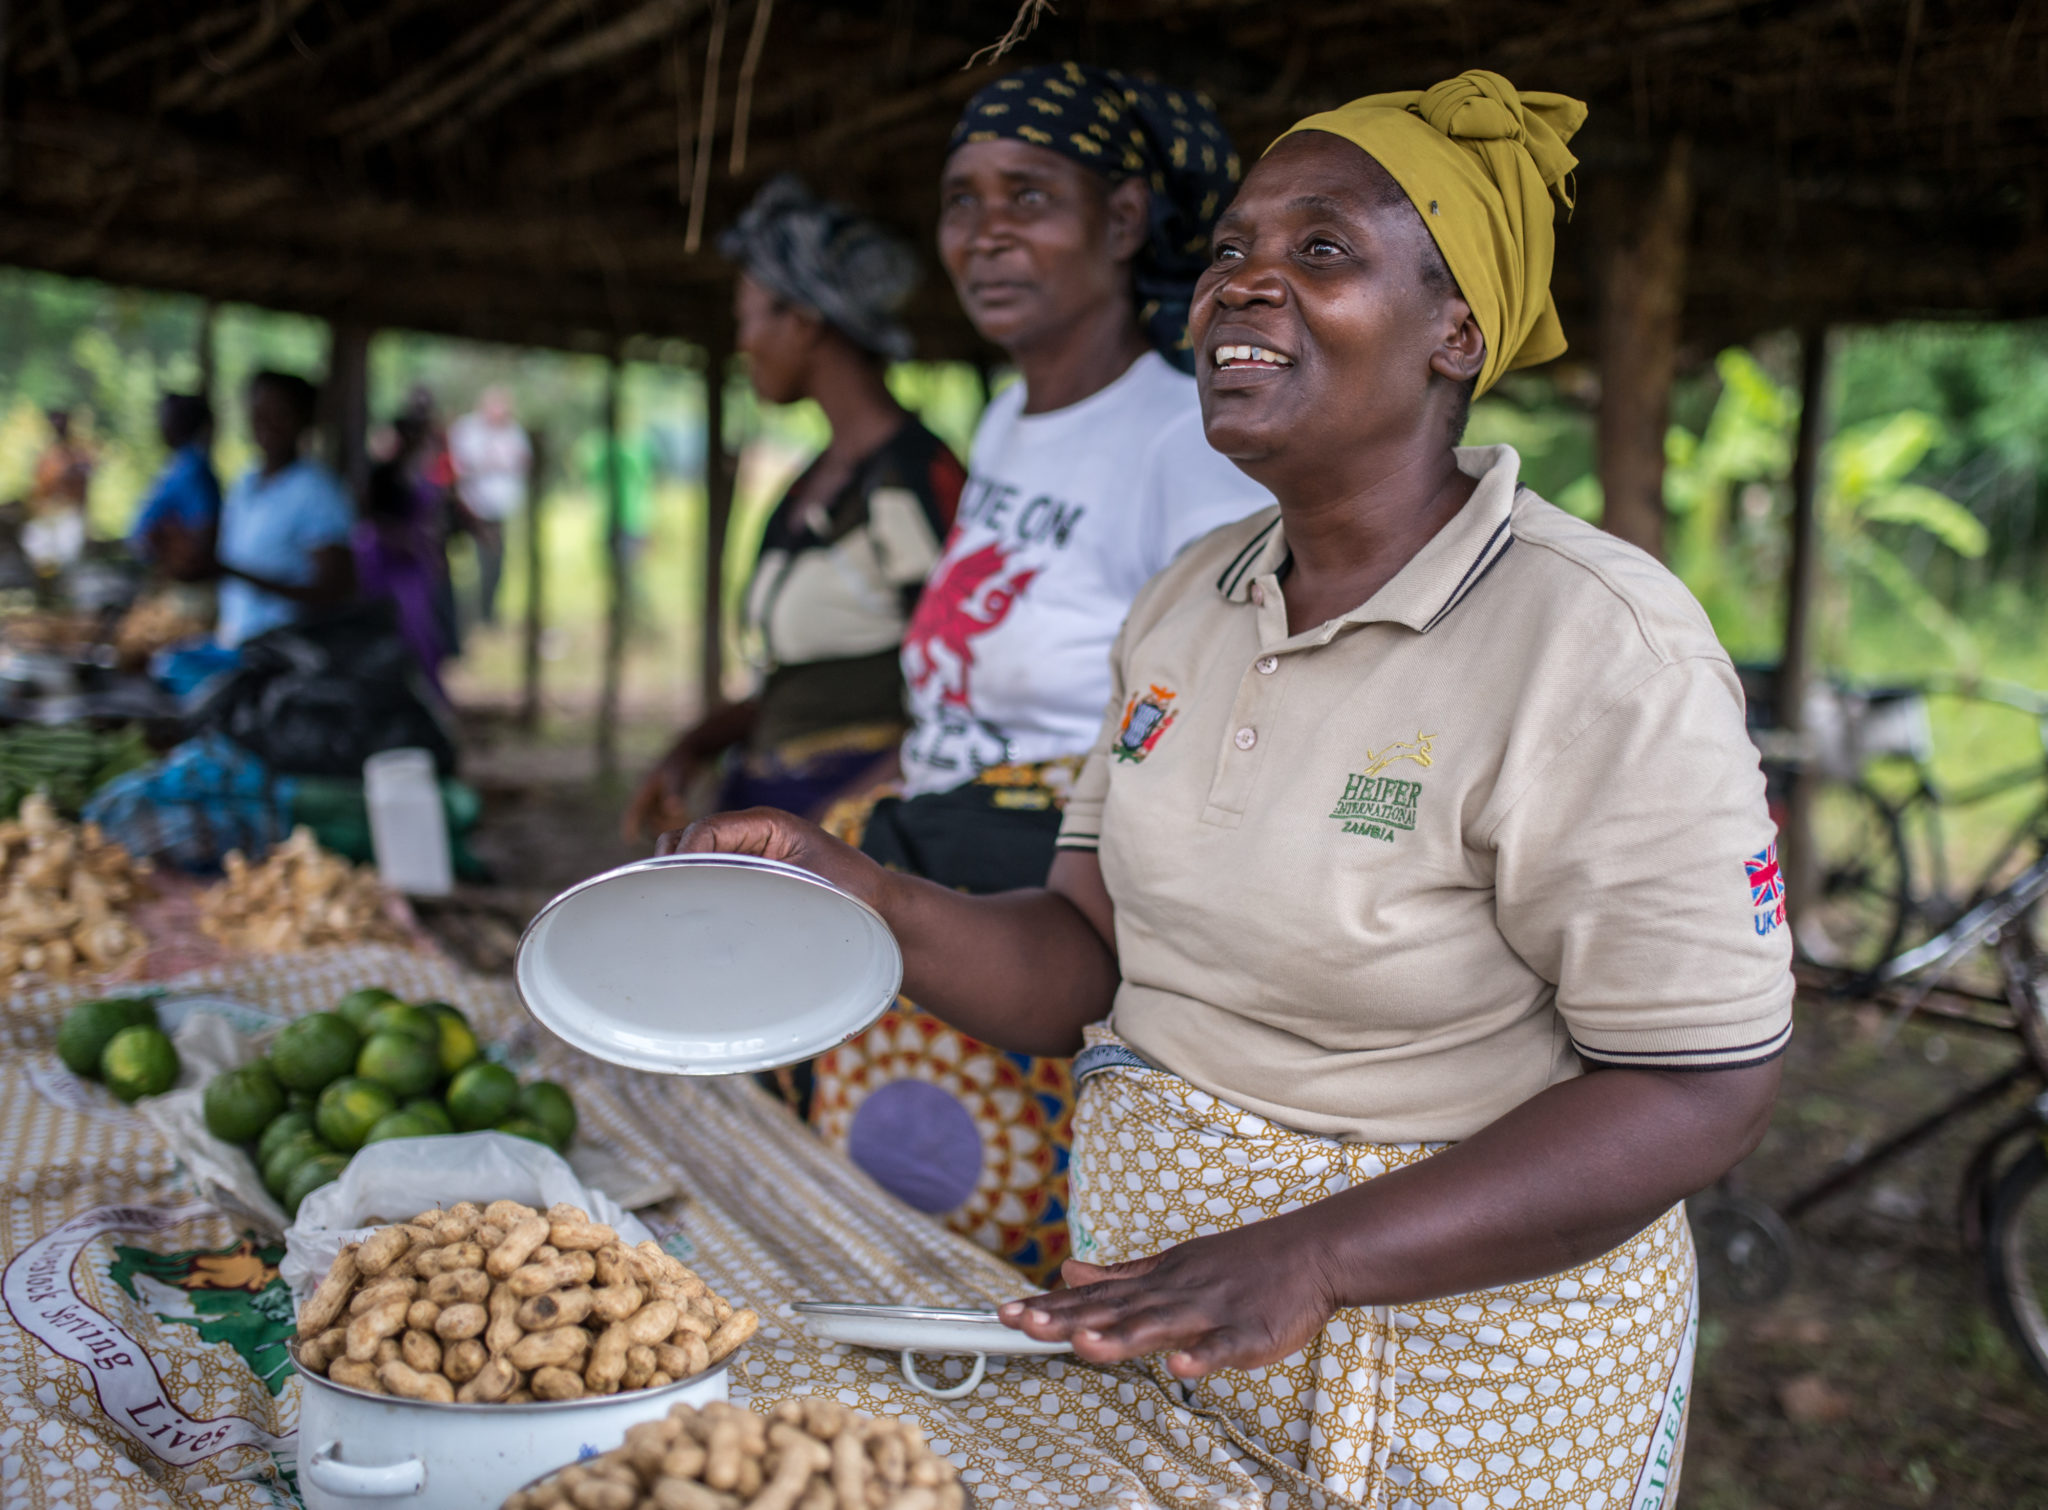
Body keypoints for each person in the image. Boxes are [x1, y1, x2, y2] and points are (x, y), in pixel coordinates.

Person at [666, 71, 1791, 1506]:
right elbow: (1087, 955)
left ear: (1456, 331)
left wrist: (1312, 1255)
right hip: (1174, 1335)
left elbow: (1701, 1086)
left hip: (1455, 1392)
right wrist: (859, 894)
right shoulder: (1188, 602)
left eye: (1320, 249)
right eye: (1230, 251)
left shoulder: (1595, 644)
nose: (1242, 285)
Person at [803, 64, 1270, 1283]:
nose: (986, 233)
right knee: (895, 1252)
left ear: (1120, 220)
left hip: (1055, 926)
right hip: (933, 888)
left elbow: (1224, 710)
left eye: (1028, 196)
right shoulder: (1009, 423)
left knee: (1007, 1268)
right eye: (961, 201)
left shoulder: (1183, 438)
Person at [625, 175, 964, 839]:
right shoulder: (816, 482)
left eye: (749, 317)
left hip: (860, 828)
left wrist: (825, 830)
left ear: (804, 323)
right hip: (784, 805)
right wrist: (690, 749)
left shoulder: (911, 479)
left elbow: (956, 696)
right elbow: (798, 684)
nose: (743, 341)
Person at [161, 371, 354, 648]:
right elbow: (225, 558)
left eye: (280, 414)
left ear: (304, 418)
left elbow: (334, 591)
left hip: (289, 650)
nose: (266, 423)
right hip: (240, 641)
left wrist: (231, 572)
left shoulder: (318, 492)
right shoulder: (245, 484)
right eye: (258, 414)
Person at [356, 404, 456, 689]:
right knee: (403, 628)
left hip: (415, 569)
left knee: (423, 630)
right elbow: (371, 519)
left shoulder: (423, 477)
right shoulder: (383, 476)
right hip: (387, 569)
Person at [446, 386, 529, 625]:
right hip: (468, 507)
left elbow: (523, 461)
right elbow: (459, 465)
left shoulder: (513, 432)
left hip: (499, 510)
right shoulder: (467, 429)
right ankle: (464, 613)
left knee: (494, 562)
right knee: (462, 562)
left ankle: (487, 612)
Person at [129, 394, 221, 562]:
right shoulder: (178, 464)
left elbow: (205, 530)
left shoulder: (194, 470)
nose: (160, 424)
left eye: (166, 417)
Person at [24, 407, 93, 569]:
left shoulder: (79, 457)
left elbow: (83, 492)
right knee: (38, 546)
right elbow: (37, 494)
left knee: (66, 551)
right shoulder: (46, 458)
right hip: (48, 517)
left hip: (70, 515)